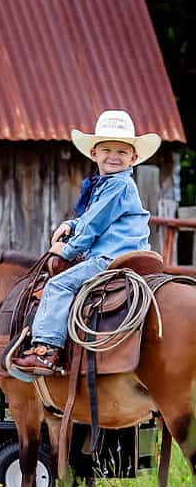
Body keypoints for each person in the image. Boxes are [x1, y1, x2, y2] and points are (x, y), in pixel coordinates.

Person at [10, 110, 158, 377]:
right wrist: (72, 224)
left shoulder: (119, 185)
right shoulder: (111, 185)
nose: (114, 156)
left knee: (59, 284)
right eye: (107, 150)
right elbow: (95, 216)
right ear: (94, 153)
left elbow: (94, 225)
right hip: (125, 251)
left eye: (122, 152)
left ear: (133, 158)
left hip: (110, 256)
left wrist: (67, 249)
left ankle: (46, 349)